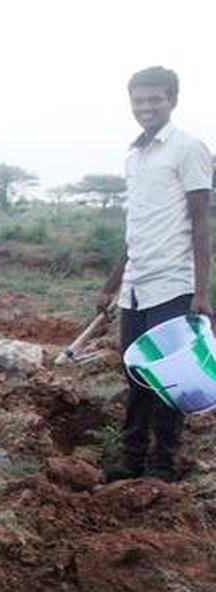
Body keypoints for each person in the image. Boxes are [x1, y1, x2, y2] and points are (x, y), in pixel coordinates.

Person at [99, 66, 212, 484]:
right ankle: (131, 458)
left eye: (154, 100)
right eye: (138, 101)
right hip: (136, 286)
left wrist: (201, 293)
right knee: (136, 374)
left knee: (169, 378)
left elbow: (201, 223)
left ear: (172, 100)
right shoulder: (134, 156)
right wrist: (111, 285)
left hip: (173, 283)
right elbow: (138, 227)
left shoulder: (188, 148)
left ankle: (163, 464)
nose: (145, 108)